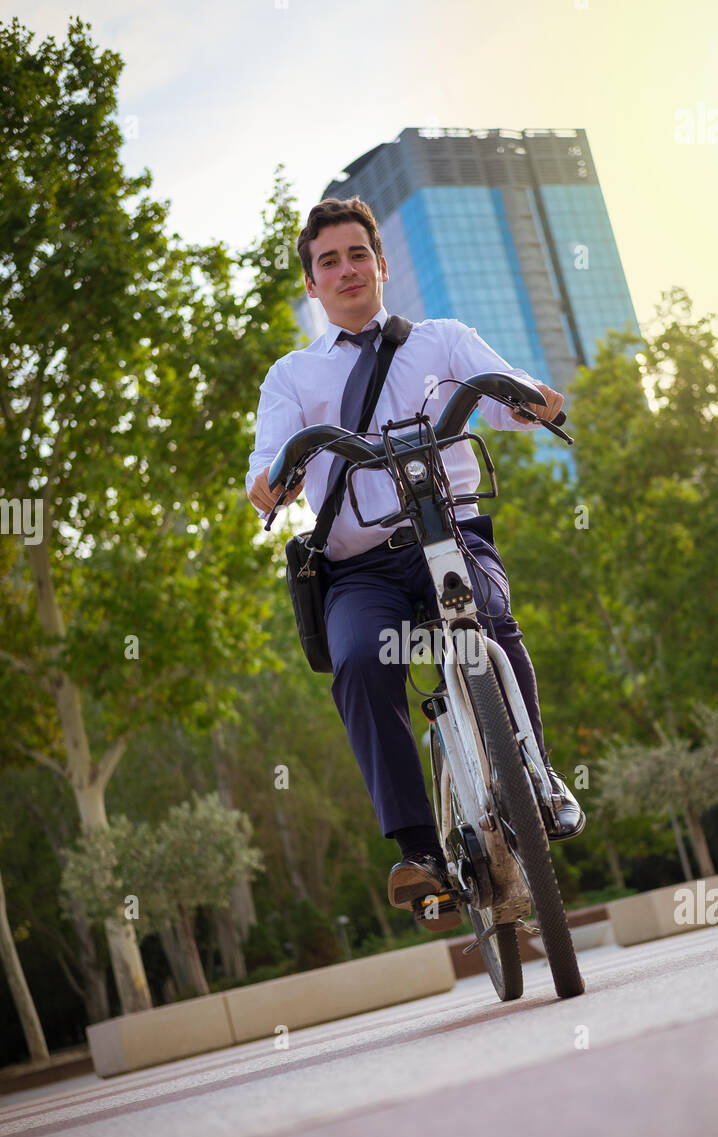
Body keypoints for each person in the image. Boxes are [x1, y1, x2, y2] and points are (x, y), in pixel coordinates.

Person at [247, 197, 584, 931]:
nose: (346, 270)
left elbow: (504, 395)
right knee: (363, 661)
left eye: (357, 254)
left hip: (452, 535)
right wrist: (271, 481)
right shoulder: (294, 377)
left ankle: (536, 774)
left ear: (381, 263)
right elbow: (267, 467)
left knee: (491, 621)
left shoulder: (442, 340)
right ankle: (421, 852)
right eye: (328, 261)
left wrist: (533, 399)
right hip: (361, 569)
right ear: (311, 283)